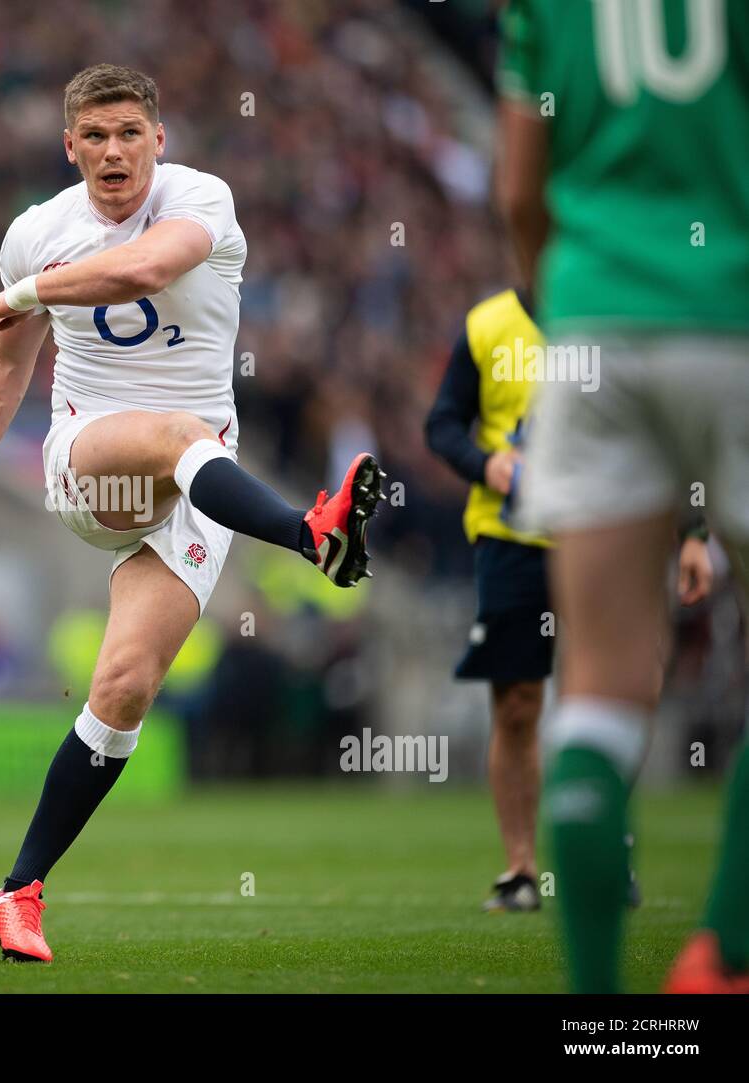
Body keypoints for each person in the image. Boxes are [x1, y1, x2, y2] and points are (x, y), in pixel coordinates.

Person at [0, 63, 384, 962]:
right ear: (69, 146)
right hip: (96, 465)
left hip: (198, 484)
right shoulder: (37, 231)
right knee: (177, 430)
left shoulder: (202, 198)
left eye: (130, 133)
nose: (114, 151)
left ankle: (17, 893)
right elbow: (4, 365)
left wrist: (29, 293)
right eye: (95, 136)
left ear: (159, 140)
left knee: (121, 690)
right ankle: (312, 533)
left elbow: (149, 268)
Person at [497, 0, 749, 992]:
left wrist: (557, 313)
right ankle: (722, 955)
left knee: (597, 691)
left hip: (594, 320)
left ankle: (599, 1014)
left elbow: (520, 191)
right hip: (732, 313)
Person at [426, 286, 712, 913]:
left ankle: (609, 845)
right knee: (518, 700)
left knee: (630, 684)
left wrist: (691, 532)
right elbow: (442, 425)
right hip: (513, 538)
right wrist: (486, 464)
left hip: (606, 531)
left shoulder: (618, 314)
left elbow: (667, 428)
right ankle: (521, 869)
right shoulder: (487, 324)